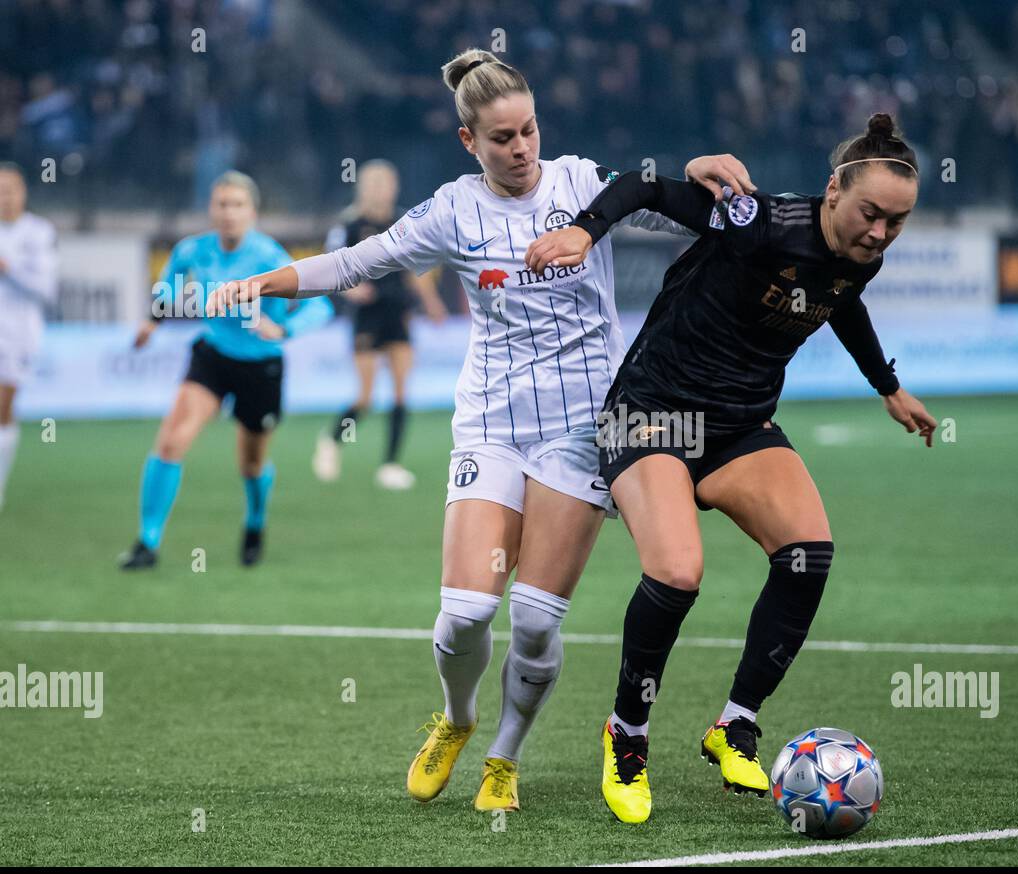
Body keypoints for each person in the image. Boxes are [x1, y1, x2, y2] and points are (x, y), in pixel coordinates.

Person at [205, 48, 757, 813]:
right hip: (491, 423)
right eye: (502, 137)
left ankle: (505, 756)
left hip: (580, 426)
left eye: (529, 130)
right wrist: (260, 284)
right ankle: (458, 718)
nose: (522, 147)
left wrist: (695, 173)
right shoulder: (452, 211)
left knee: (532, 619)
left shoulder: (581, 183)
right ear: (470, 141)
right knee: (465, 615)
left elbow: (669, 207)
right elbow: (356, 262)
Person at [524, 112, 938, 824]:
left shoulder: (861, 256)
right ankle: (627, 733)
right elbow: (645, 187)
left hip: (738, 424)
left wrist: (888, 387)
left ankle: (736, 725)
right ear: (833, 190)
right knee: (678, 573)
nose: (879, 233)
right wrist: (585, 232)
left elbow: (842, 300)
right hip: (650, 412)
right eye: (871, 213)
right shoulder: (758, 221)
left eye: (895, 222)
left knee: (808, 554)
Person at [120, 171, 334, 569]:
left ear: (252, 212)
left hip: (261, 367)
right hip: (213, 357)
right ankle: (147, 543)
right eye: (222, 204)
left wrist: (283, 329)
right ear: (211, 209)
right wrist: (152, 321)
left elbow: (320, 305)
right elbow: (169, 286)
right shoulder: (193, 249)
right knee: (171, 441)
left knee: (250, 464)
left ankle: (255, 523)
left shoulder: (269, 257)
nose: (229, 212)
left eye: (237, 205)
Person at [313, 159, 450, 491]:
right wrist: (352, 290)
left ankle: (390, 464)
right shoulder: (349, 225)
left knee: (401, 393)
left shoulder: (403, 221)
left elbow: (416, 268)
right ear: (363, 189)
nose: (381, 191)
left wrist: (431, 302)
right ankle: (331, 441)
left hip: (398, 312)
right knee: (365, 396)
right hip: (367, 316)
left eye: (386, 184)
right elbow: (333, 267)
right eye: (375, 185)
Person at [0, 162, 57, 512]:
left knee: (2, 408)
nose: (5, 198)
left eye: (10, 191)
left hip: (17, 336)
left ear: (23, 193)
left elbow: (46, 288)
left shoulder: (38, 232)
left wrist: (8, 267)